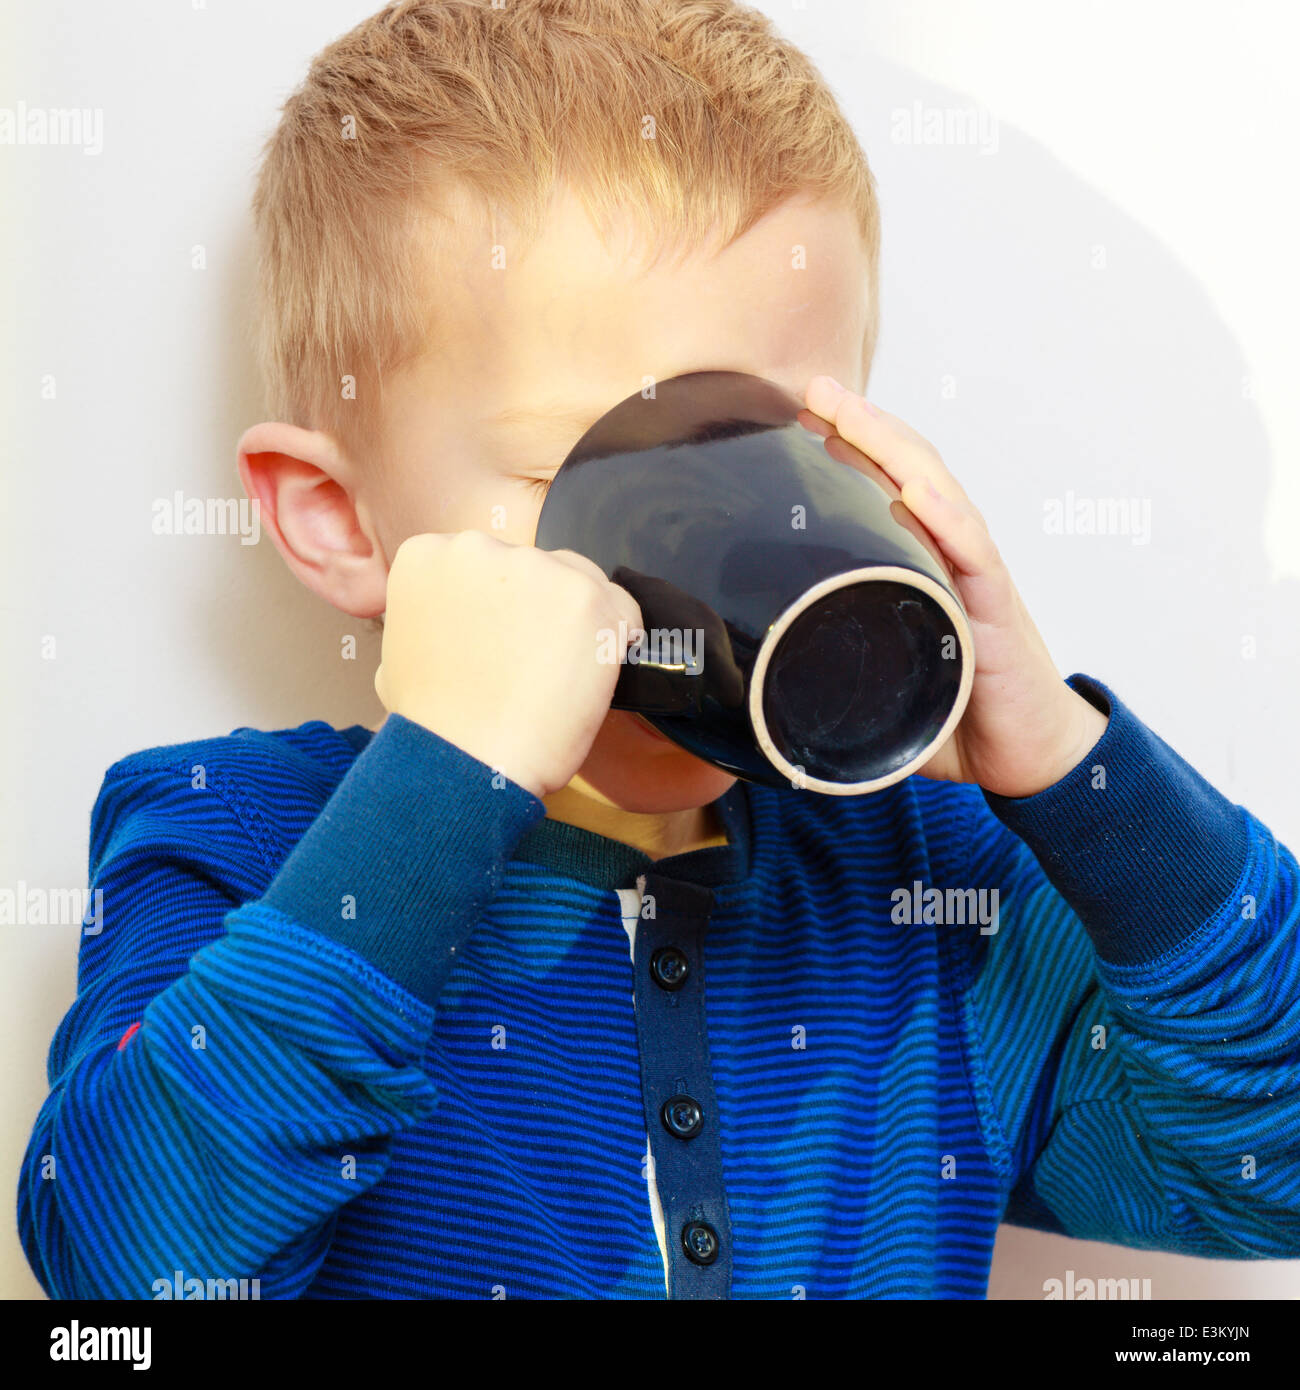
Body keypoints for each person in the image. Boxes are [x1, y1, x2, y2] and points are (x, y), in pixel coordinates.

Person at [19, 0, 1300, 1299]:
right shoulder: (233, 834)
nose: (717, 556)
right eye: (593, 470)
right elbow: (136, 1278)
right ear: (340, 521)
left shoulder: (935, 893)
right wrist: (449, 772)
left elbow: (1277, 1160)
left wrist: (1072, 770)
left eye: (775, 459)